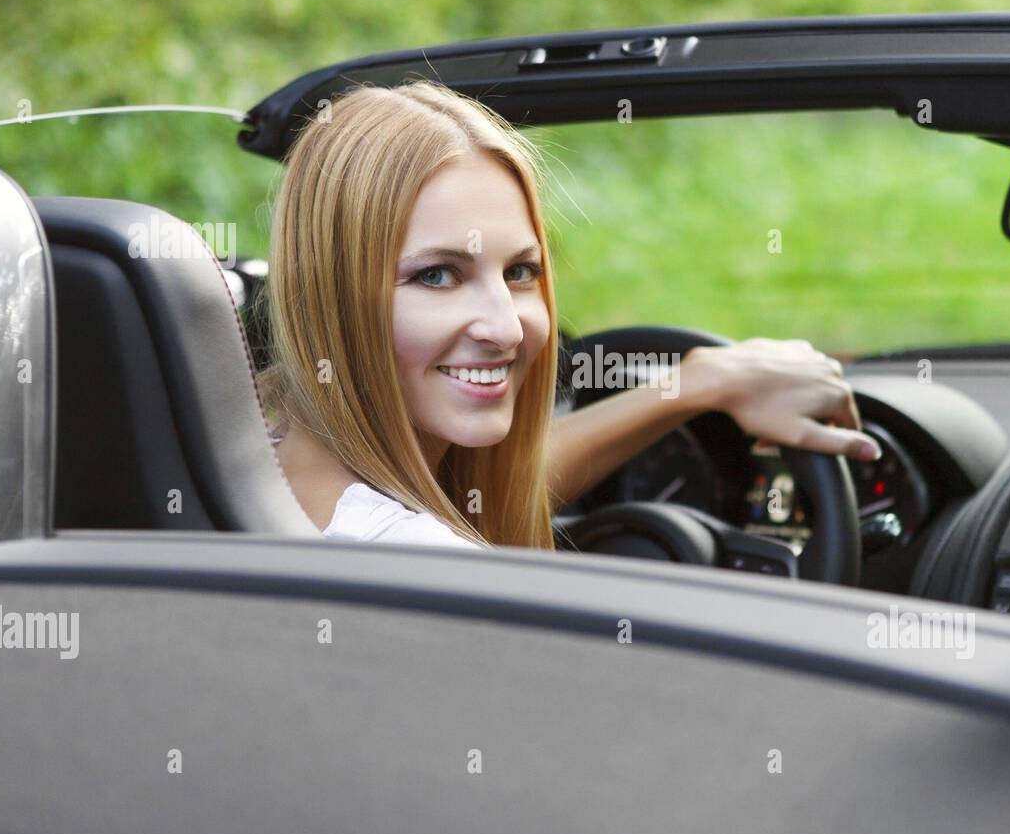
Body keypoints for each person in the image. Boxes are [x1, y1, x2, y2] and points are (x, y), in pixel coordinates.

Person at [261, 81, 879, 550]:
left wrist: (700, 384)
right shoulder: (428, 564)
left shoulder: (252, 448)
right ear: (325, 296)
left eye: (520, 272)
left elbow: (501, 484)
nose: (506, 328)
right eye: (437, 275)